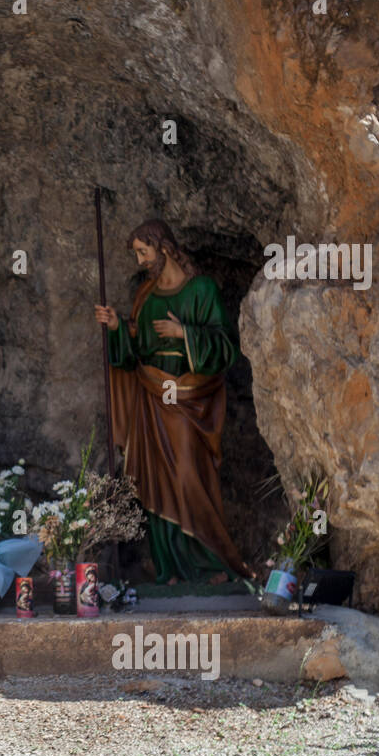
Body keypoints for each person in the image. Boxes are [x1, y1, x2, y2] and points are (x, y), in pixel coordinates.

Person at [93, 220, 253, 585]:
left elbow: (227, 346)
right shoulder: (146, 295)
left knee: (186, 475)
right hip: (151, 396)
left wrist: (185, 334)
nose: (140, 260)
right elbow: (133, 352)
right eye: (137, 253)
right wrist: (118, 326)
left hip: (187, 398)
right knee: (152, 482)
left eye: (143, 251)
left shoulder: (202, 289)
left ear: (163, 247)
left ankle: (209, 563)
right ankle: (169, 568)